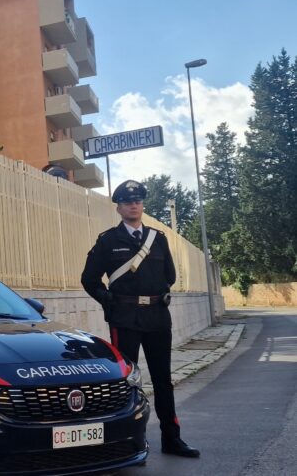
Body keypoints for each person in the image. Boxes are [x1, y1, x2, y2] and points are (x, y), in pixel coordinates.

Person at [81, 180, 201, 458]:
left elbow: (169, 276)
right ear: (119, 208)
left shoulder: (158, 238)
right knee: (126, 381)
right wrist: (108, 300)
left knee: (163, 380)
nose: (133, 206)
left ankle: (172, 439)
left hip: (157, 317)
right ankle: (128, 442)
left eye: (137, 201)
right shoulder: (108, 241)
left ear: (142, 205)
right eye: (127, 202)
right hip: (125, 319)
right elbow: (89, 279)